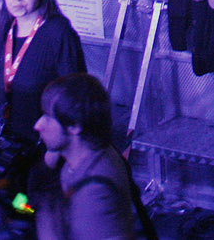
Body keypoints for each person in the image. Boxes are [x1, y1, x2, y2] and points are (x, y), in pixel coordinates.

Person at [0, 0, 85, 218]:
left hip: (42, 152)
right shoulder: (4, 28)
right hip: (4, 148)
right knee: (11, 208)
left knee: (38, 216)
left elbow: (74, 100)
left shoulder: (58, 33)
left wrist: (54, 152)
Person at [32, 73, 138, 240]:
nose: (38, 125)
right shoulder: (85, 159)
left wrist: (45, 219)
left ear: (74, 126)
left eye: (48, 117)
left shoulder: (94, 191)